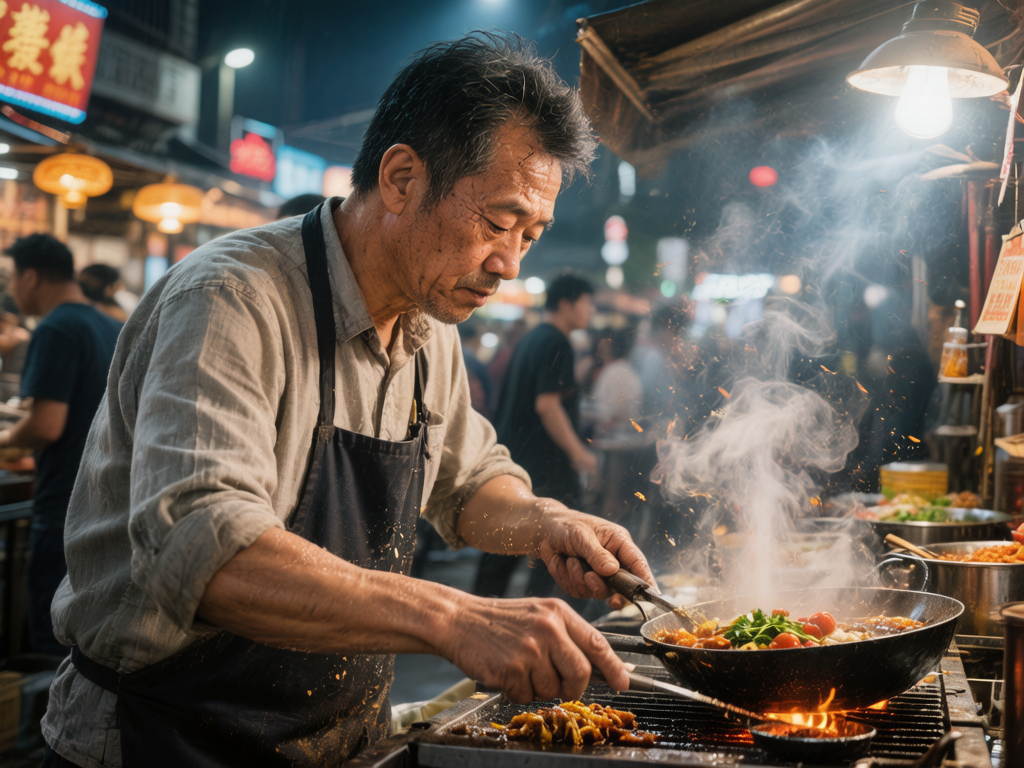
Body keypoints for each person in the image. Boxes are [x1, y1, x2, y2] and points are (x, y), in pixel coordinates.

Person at [41, 33, 654, 768]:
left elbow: (465, 483)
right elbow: (202, 549)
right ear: (400, 177)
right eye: (496, 223)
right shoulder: (234, 299)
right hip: (165, 736)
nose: (509, 263)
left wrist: (547, 522)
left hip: (338, 741)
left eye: (531, 234)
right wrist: (453, 616)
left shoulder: (430, 322)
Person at [0, 235, 121, 656]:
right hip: (106, 510)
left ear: (31, 276)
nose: (13, 289)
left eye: (13, 278)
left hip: (63, 511)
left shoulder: (54, 326)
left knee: (51, 647)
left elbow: (46, 426)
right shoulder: (110, 323)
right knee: (85, 646)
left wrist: (6, 441)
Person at [474, 273, 599, 600]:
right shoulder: (557, 341)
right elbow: (548, 405)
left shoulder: (532, 338)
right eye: (587, 303)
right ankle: (535, 621)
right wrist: (578, 452)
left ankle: (487, 621)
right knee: (551, 550)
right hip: (543, 468)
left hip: (513, 461)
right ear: (566, 303)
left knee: (500, 548)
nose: (591, 311)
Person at [457, 321, 493, 419]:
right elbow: (486, 388)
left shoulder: (451, 355)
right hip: (471, 411)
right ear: (475, 339)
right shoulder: (470, 357)